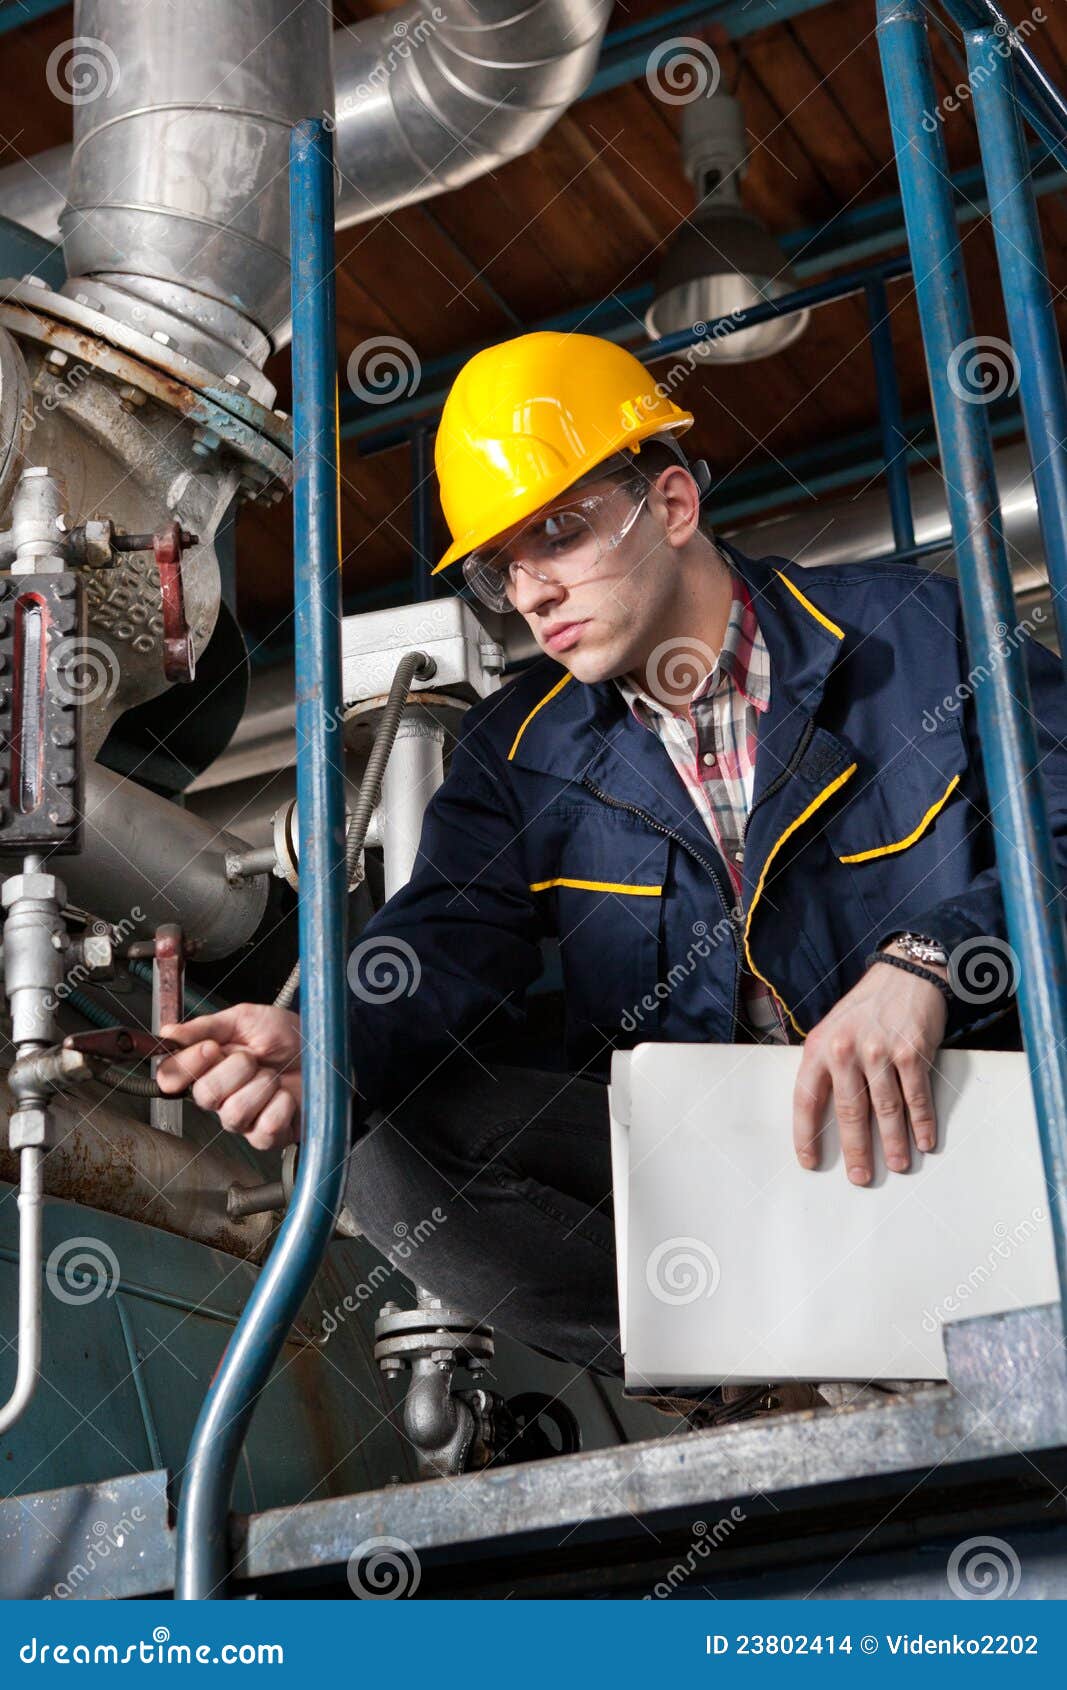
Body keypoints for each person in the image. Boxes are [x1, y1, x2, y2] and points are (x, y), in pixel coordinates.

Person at [156, 331, 1067, 1418]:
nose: (532, 591)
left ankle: (955, 1324)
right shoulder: (519, 751)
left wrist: (927, 963)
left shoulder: (914, 636)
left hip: (960, 1149)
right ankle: (761, 1384)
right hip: (729, 1213)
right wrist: (325, 1042)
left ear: (671, 506)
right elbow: (442, 940)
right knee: (380, 1142)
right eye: (504, 566)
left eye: (559, 532)